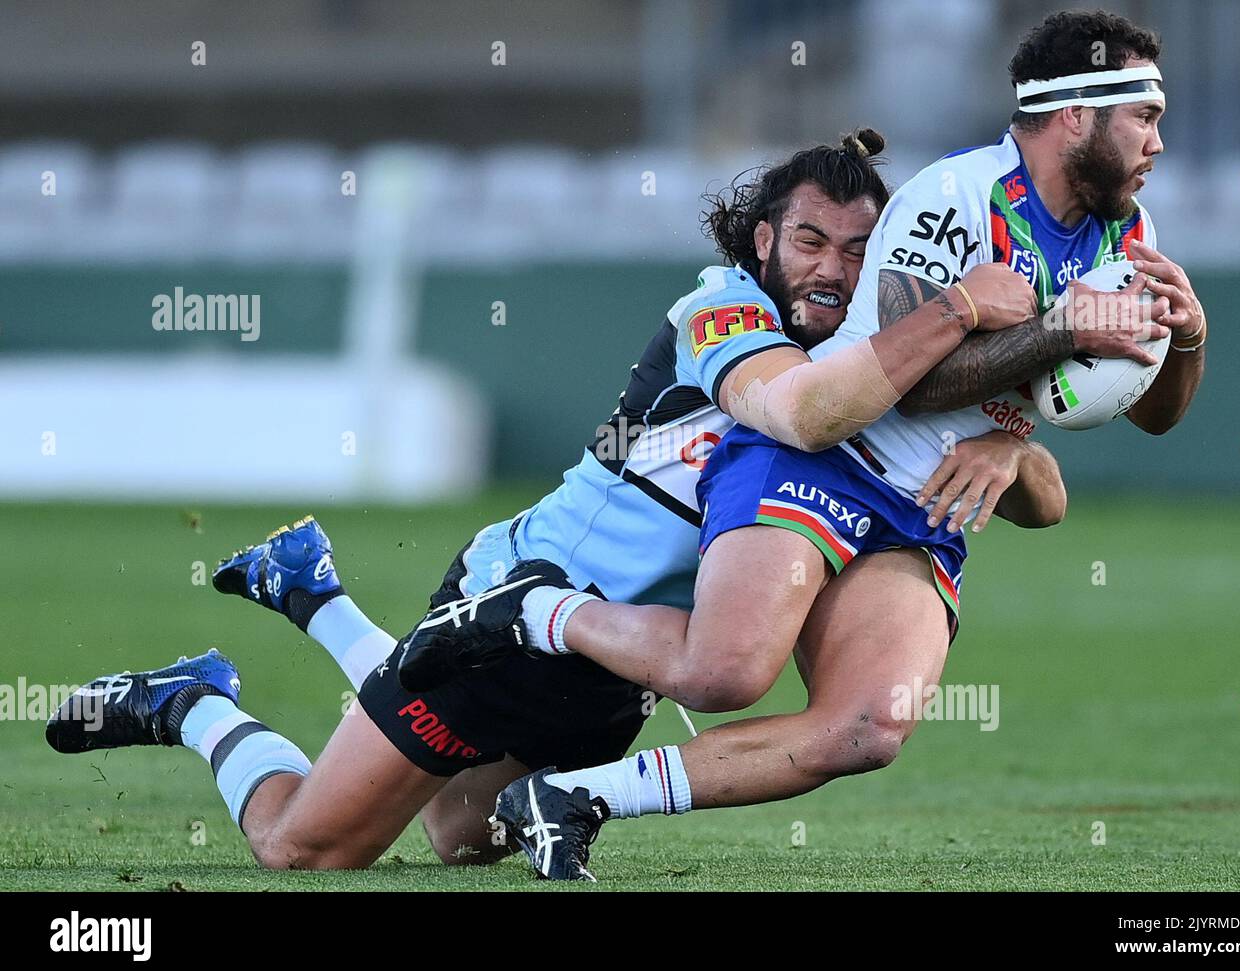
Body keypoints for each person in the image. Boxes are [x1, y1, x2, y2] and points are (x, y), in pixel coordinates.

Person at [45, 132, 1051, 874]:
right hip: (525, 602)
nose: (830, 267)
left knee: (458, 838)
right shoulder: (725, 309)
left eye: (853, 248)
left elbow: (1020, 476)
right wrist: (962, 312)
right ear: (761, 241)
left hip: (615, 661)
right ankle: (195, 703)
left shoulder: (871, 354)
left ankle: (317, 599)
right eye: (809, 241)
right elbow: (797, 416)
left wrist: (1009, 444)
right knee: (306, 848)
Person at [411, 9, 1205, 881]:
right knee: (721, 675)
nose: (1158, 140)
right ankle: (528, 609)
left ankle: (574, 799)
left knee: (870, 727)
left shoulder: (1132, 238)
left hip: (920, 511)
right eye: (1145, 115)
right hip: (824, 461)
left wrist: (1187, 344)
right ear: (1073, 116)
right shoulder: (952, 202)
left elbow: (1155, 417)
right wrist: (1055, 335)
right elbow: (917, 378)